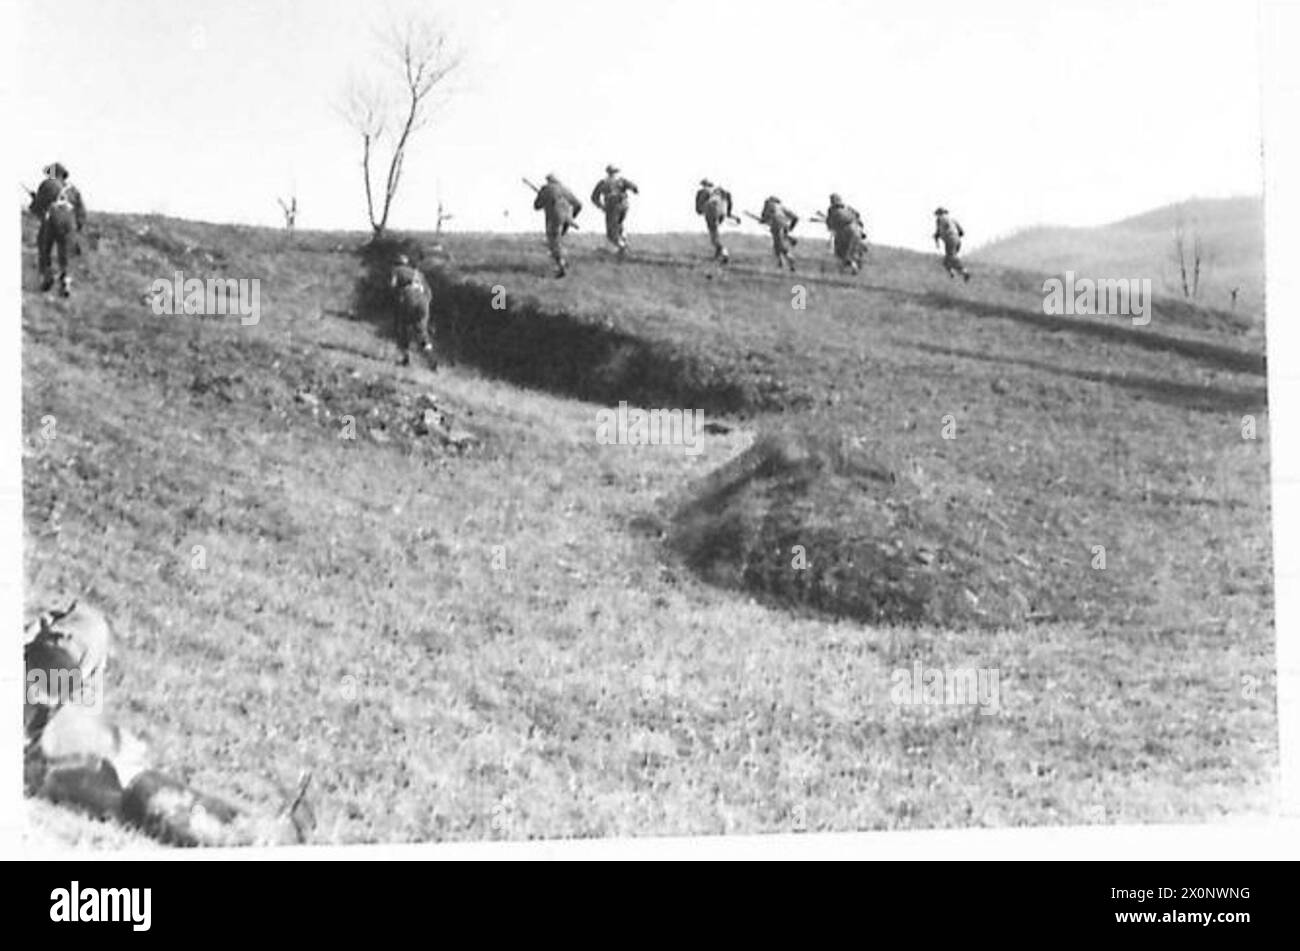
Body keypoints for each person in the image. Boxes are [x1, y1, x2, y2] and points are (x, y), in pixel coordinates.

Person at [29, 162, 86, 296]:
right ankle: (65, 281)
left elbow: (37, 207)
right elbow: (81, 212)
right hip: (70, 221)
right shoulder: (73, 189)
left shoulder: (47, 184)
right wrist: (77, 229)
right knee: (66, 252)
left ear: (53, 174)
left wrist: (34, 200)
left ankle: (47, 274)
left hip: (53, 218)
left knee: (44, 245)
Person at [533, 173, 583, 277]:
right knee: (558, 241)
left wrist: (543, 198)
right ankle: (562, 262)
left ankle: (561, 267)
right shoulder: (565, 189)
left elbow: (537, 206)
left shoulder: (546, 189)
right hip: (566, 220)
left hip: (554, 219)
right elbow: (578, 204)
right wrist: (572, 217)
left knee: (553, 242)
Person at [390, 254, 435, 367]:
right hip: (423, 301)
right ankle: (431, 360)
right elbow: (429, 293)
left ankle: (406, 359)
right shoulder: (418, 274)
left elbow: (392, 285)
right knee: (421, 331)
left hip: (408, 299)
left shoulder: (396, 270)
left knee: (403, 328)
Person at [590, 164, 639, 257]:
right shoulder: (621, 181)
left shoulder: (603, 182)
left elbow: (594, 197)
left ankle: (622, 247)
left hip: (612, 207)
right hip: (623, 205)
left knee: (611, 232)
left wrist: (601, 206)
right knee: (619, 226)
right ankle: (622, 246)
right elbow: (635, 188)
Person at [824, 193, 867, 274]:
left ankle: (848, 268)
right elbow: (858, 216)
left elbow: (830, 226)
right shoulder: (849, 209)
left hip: (845, 232)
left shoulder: (832, 211)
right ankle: (853, 266)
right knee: (853, 251)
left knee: (841, 252)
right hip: (857, 231)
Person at [694, 179, 735, 263]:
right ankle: (718, 253)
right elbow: (729, 199)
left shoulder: (703, 191)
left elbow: (698, 209)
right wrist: (728, 213)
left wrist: (702, 210)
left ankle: (724, 253)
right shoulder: (721, 191)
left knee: (713, 234)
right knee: (715, 232)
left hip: (711, 210)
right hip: (722, 210)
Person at [759, 195, 800, 271]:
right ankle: (781, 264)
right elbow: (795, 218)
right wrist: (790, 228)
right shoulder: (782, 207)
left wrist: (763, 220)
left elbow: (765, 217)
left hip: (776, 227)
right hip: (783, 226)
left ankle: (788, 263)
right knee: (778, 246)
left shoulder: (769, 204)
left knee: (779, 247)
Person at [933, 207, 971, 281]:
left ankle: (964, 272)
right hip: (958, 240)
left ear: (939, 213)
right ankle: (952, 275)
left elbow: (938, 232)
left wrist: (938, 237)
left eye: (937, 214)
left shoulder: (940, 219)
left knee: (952, 258)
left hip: (950, 240)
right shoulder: (953, 219)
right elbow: (962, 232)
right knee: (947, 260)